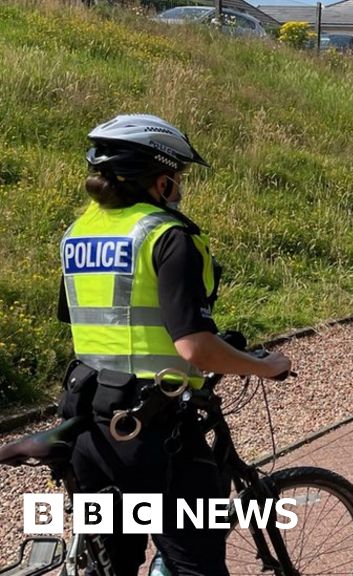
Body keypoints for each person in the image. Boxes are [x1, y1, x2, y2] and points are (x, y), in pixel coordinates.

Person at [58, 114, 291, 575]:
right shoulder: (167, 237)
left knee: (116, 563)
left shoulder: (78, 235)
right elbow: (196, 350)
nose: (180, 190)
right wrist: (265, 366)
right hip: (153, 430)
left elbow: (96, 319)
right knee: (196, 563)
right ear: (161, 183)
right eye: (178, 180)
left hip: (88, 423)